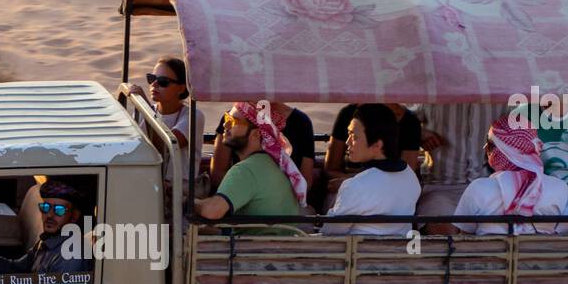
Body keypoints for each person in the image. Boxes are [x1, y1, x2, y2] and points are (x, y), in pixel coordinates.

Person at [434, 115, 568, 235]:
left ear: (501, 150)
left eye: (489, 145)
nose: (485, 149)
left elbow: (464, 239)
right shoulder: (560, 188)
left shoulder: (478, 188)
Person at [195, 101, 304, 229]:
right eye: (227, 118)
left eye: (233, 121)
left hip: (252, 245)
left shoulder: (245, 170)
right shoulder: (277, 165)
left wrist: (190, 203)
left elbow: (212, 211)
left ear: (256, 134)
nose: (225, 124)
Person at [0, 179, 93, 275]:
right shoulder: (49, 241)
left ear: (74, 216)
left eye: (59, 210)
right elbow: (15, 269)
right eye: (45, 207)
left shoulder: (71, 256)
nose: (49, 215)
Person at [321, 103, 420, 236]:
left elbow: (331, 232)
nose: (347, 142)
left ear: (377, 145)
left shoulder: (355, 186)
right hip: (398, 252)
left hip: (356, 254)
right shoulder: (411, 178)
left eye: (354, 136)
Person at [414, 102, 503, 225]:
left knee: (495, 232)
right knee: (442, 231)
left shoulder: (501, 92)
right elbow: (398, 116)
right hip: (440, 186)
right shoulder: (431, 90)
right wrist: (418, 133)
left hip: (487, 185)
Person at [209, 100, 317, 193]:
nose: (226, 125)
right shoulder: (237, 114)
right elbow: (217, 174)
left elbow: (306, 181)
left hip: (283, 200)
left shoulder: (301, 122)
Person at [127, 56, 197, 151]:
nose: (154, 84)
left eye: (163, 81)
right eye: (151, 78)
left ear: (181, 89)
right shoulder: (142, 113)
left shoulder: (193, 116)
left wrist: (145, 106)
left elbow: (165, 148)